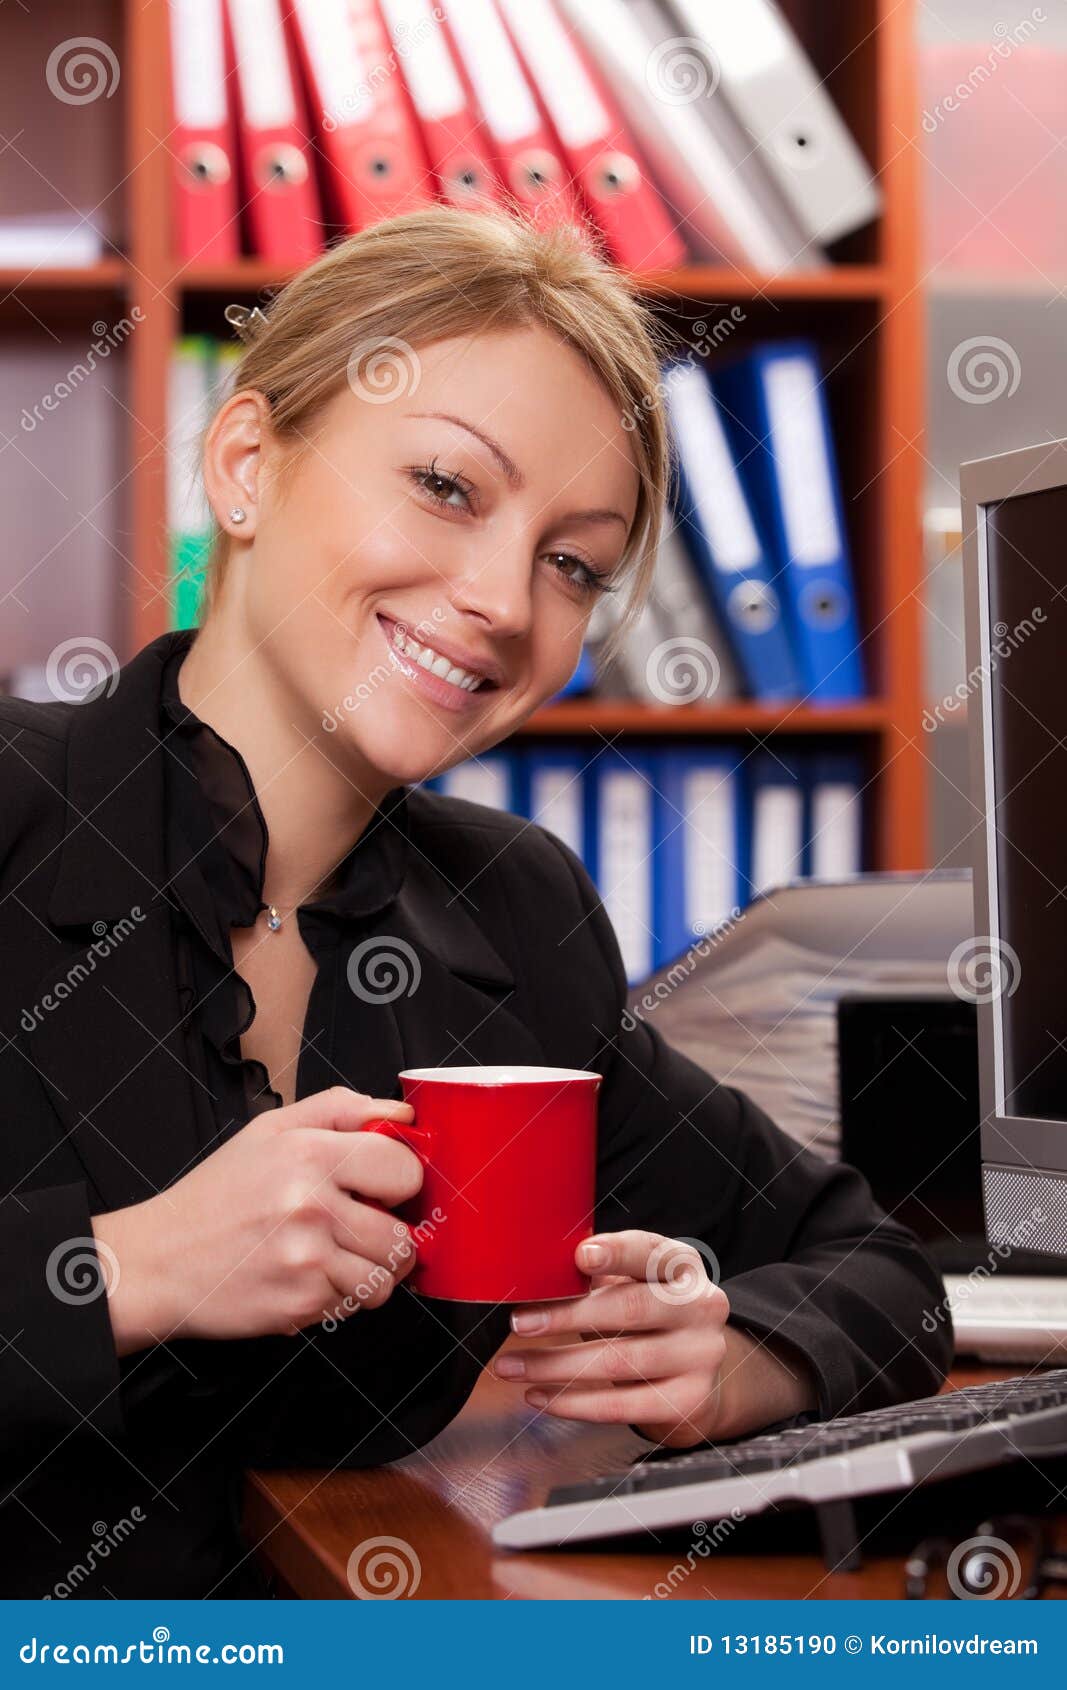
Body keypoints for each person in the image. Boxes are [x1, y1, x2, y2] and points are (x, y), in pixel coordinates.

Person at [0, 206, 951, 1599]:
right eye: (448, 485)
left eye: (574, 563)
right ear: (246, 463)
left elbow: (875, 1266)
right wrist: (130, 1270)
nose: (505, 599)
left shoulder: (513, 914)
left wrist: (736, 1357)